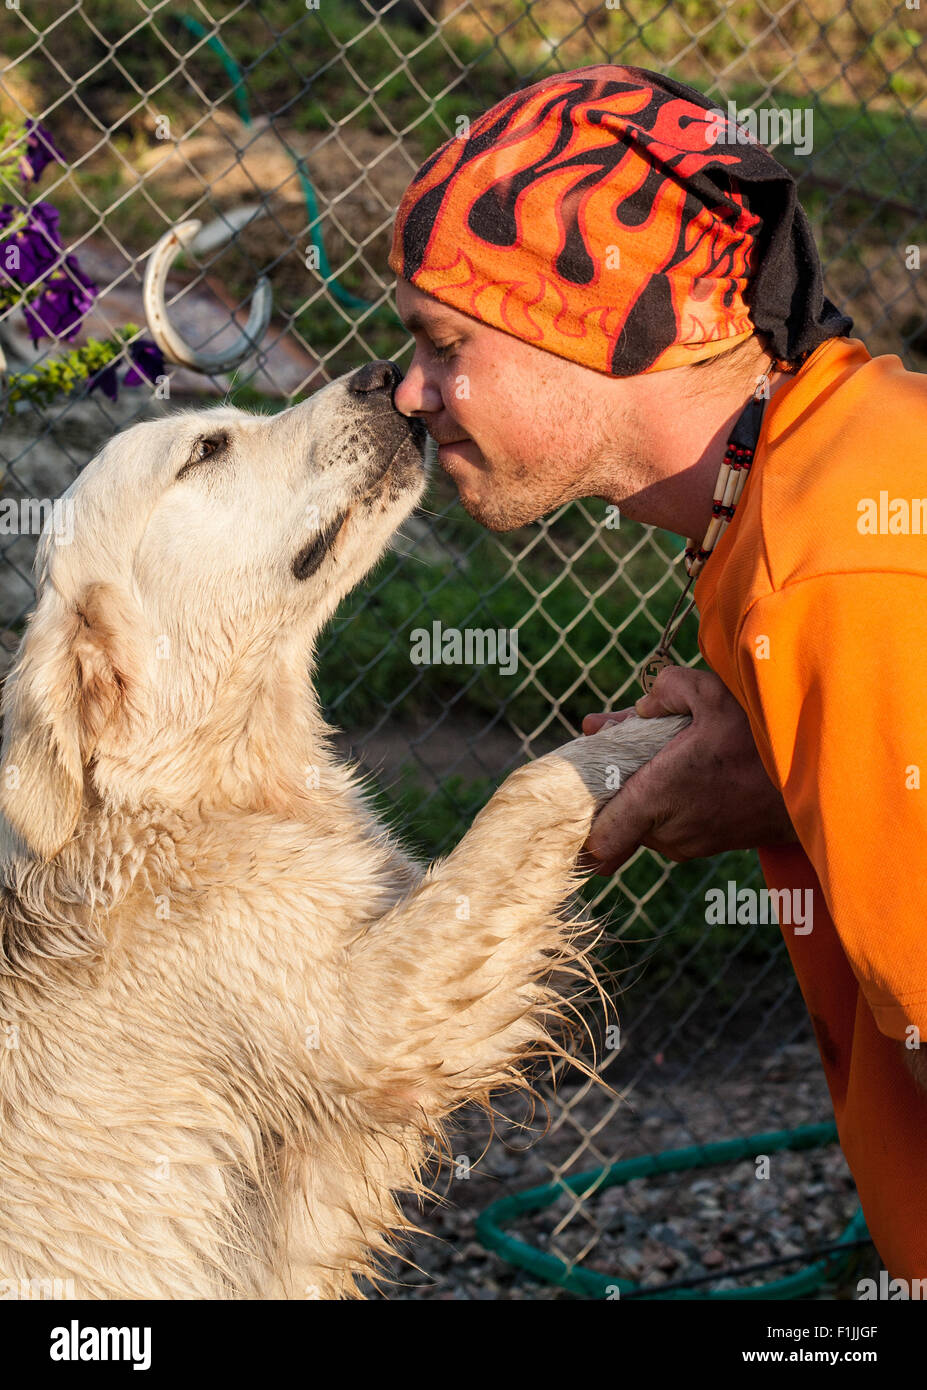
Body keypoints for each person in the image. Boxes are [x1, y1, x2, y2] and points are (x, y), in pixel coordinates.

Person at [388, 64, 927, 1282]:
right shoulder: (824, 468)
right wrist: (791, 782)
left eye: (442, 343)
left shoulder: (829, 569)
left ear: (594, 319)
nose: (413, 394)